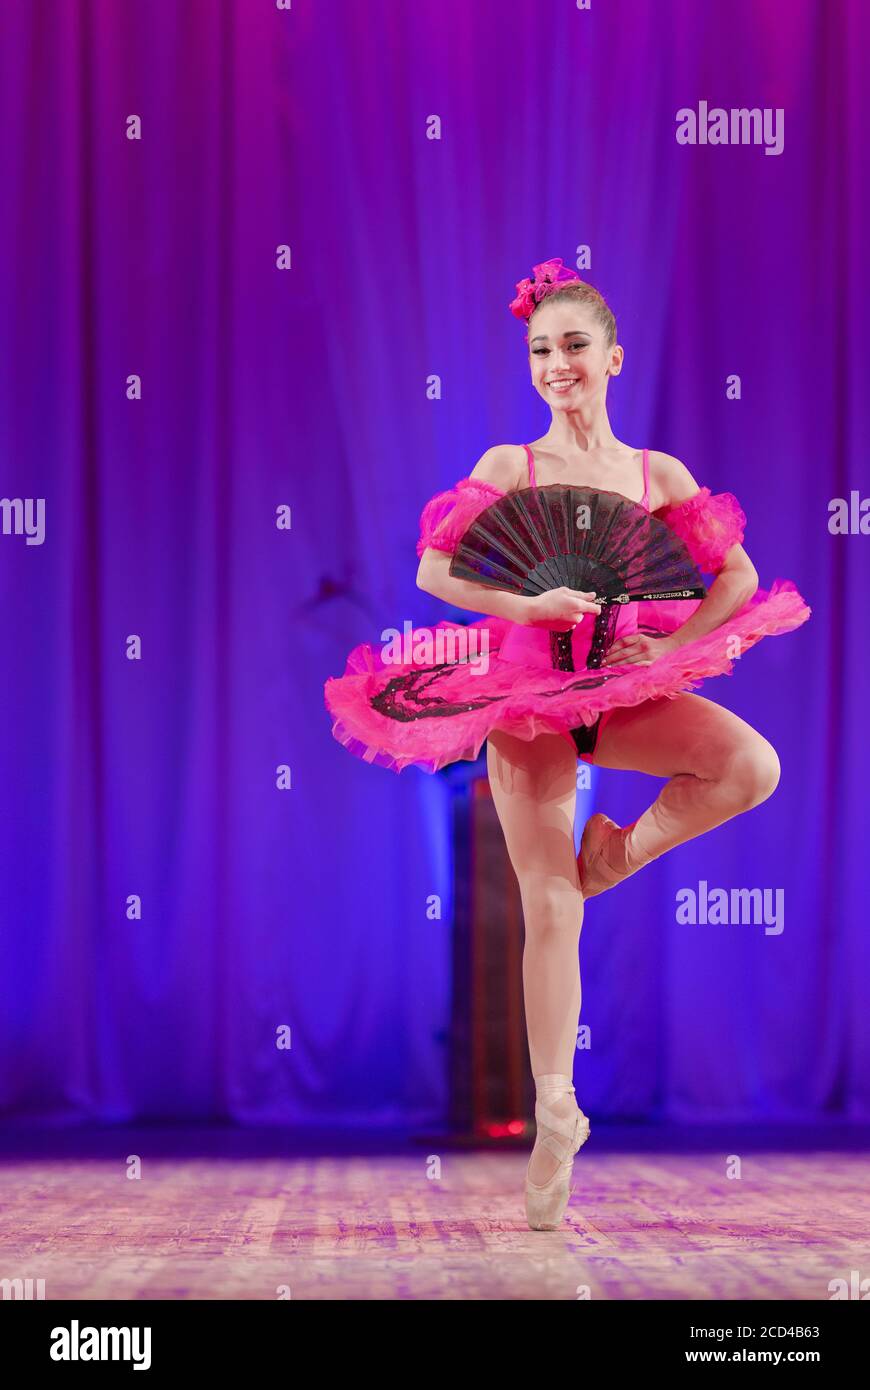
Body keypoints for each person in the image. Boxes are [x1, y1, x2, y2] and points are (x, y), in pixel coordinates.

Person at [323, 258, 811, 1230]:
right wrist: (526, 603)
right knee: (549, 905)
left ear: (613, 357)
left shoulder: (657, 476)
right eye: (541, 350)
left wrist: (667, 644)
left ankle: (614, 855)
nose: (557, 365)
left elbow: (737, 576)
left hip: (621, 686)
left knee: (752, 766)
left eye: (575, 346)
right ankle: (556, 1111)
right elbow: (434, 571)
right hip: (525, 693)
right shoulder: (514, 465)